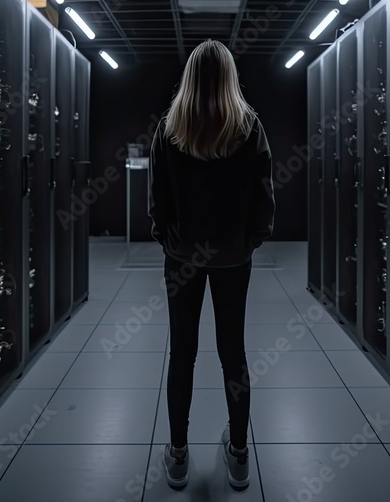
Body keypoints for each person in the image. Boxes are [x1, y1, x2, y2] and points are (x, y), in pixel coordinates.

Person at [148, 38, 276, 491]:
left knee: (182, 353)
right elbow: (264, 198)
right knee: (233, 352)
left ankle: (178, 455)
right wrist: (248, 243)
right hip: (233, 257)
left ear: (189, 77)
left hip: (182, 257)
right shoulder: (249, 126)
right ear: (228, 78)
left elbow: (157, 200)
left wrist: (170, 241)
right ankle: (239, 455)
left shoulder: (170, 127)